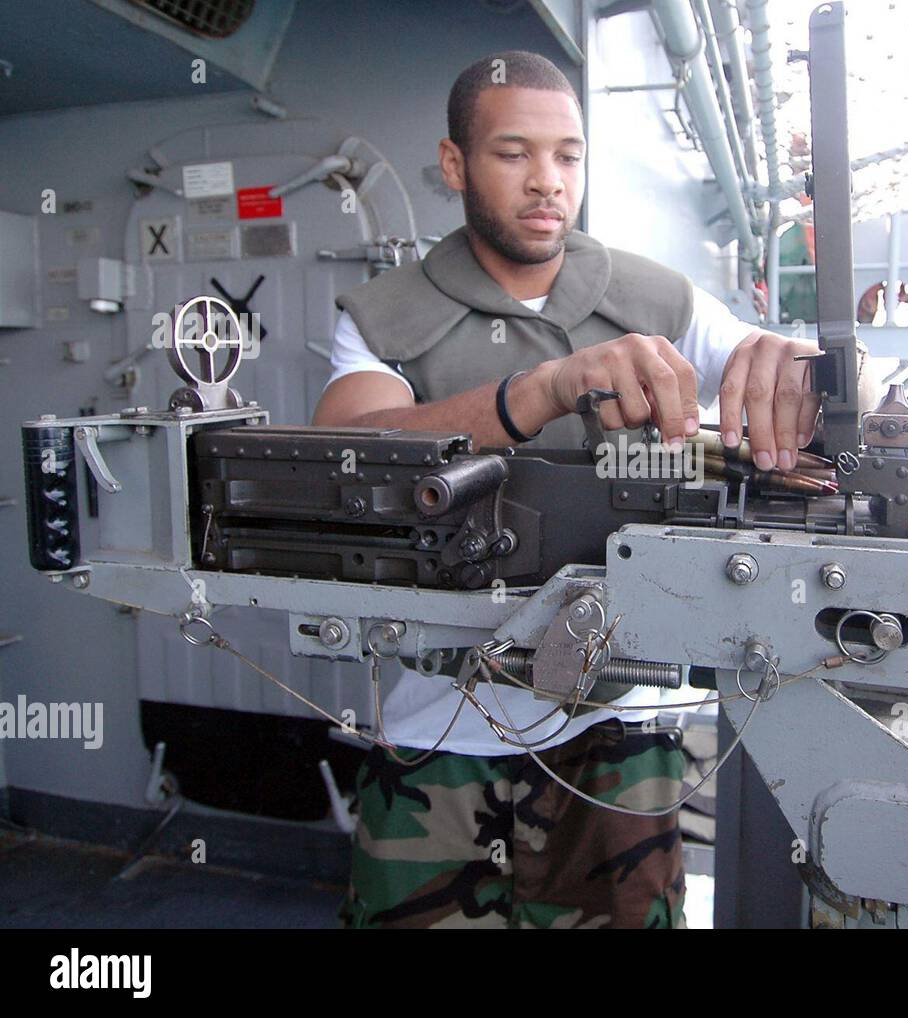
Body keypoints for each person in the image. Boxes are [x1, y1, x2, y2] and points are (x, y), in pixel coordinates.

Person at [313, 50, 826, 928]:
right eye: (514, 154)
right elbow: (348, 453)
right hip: (441, 732)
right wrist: (540, 391)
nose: (548, 182)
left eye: (567, 155)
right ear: (455, 165)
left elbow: (768, 372)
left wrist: (798, 371)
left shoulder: (658, 300)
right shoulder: (383, 315)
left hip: (616, 738)